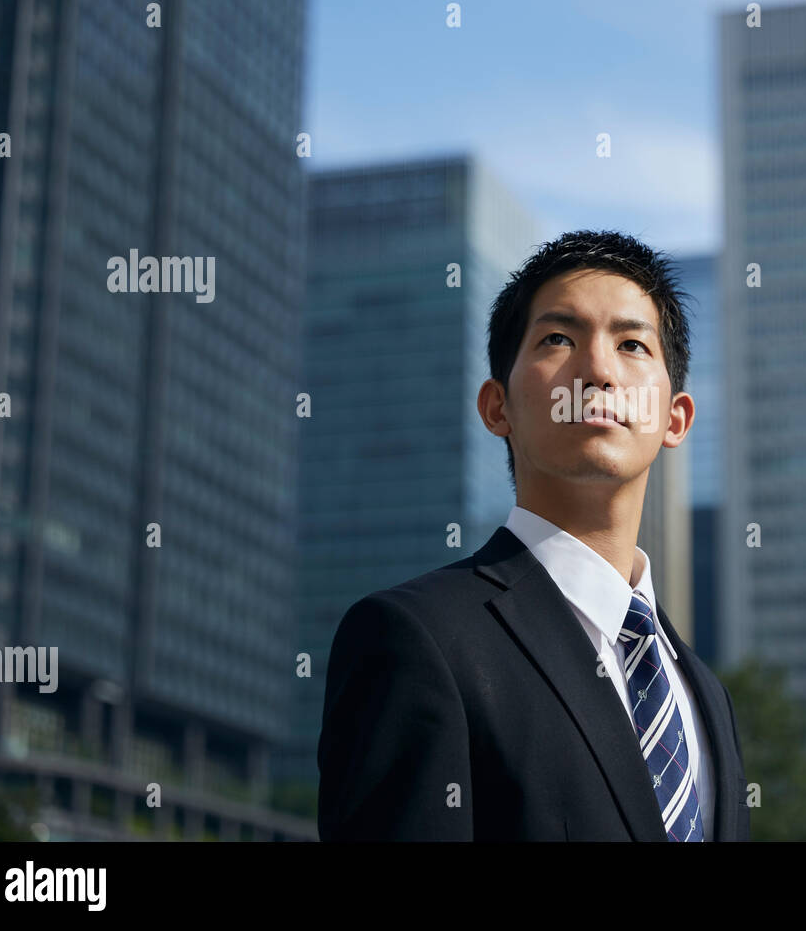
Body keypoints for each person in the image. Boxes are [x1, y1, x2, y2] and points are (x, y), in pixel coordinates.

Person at [317, 229, 750, 840]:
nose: (597, 370)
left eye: (632, 343)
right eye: (558, 338)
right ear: (498, 408)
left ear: (674, 419)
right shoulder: (415, 639)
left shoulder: (704, 695)